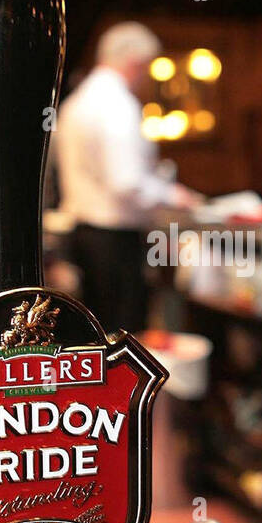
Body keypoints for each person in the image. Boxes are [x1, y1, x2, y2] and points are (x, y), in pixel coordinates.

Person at [53, 21, 200, 333]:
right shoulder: (118, 106)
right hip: (114, 241)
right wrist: (174, 195)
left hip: (82, 234)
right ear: (136, 62)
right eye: (147, 68)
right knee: (123, 339)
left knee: (93, 339)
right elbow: (126, 182)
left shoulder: (74, 103)